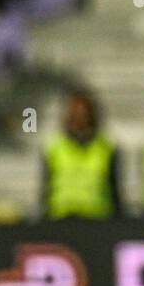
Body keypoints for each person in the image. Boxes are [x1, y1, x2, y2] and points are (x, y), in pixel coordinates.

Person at [42, 87, 119, 219]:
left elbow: (114, 191)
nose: (80, 119)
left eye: (83, 114)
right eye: (75, 113)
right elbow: (46, 190)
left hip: (97, 220)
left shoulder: (105, 148)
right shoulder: (55, 148)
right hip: (61, 220)